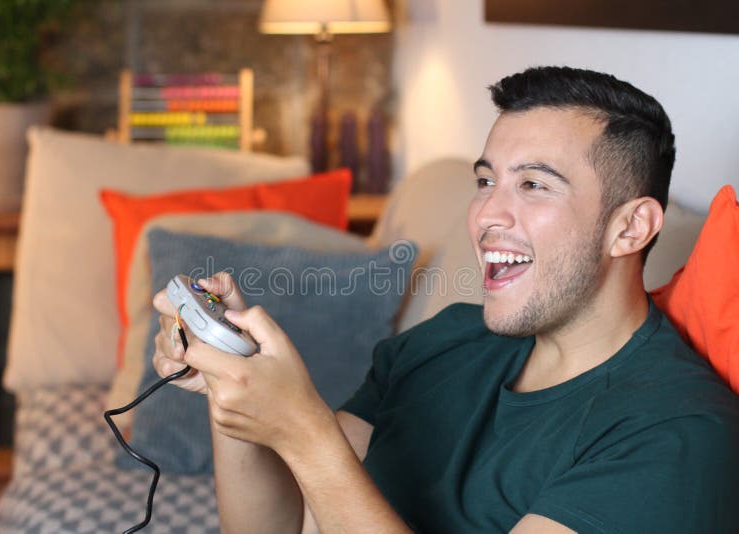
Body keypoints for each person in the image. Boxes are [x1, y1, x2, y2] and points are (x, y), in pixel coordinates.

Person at [151, 66, 739, 533]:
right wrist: (231, 383)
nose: (486, 216)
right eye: (486, 181)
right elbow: (274, 530)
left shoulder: (676, 435)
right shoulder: (441, 341)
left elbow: (317, 459)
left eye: (533, 185)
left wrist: (306, 432)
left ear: (631, 228)